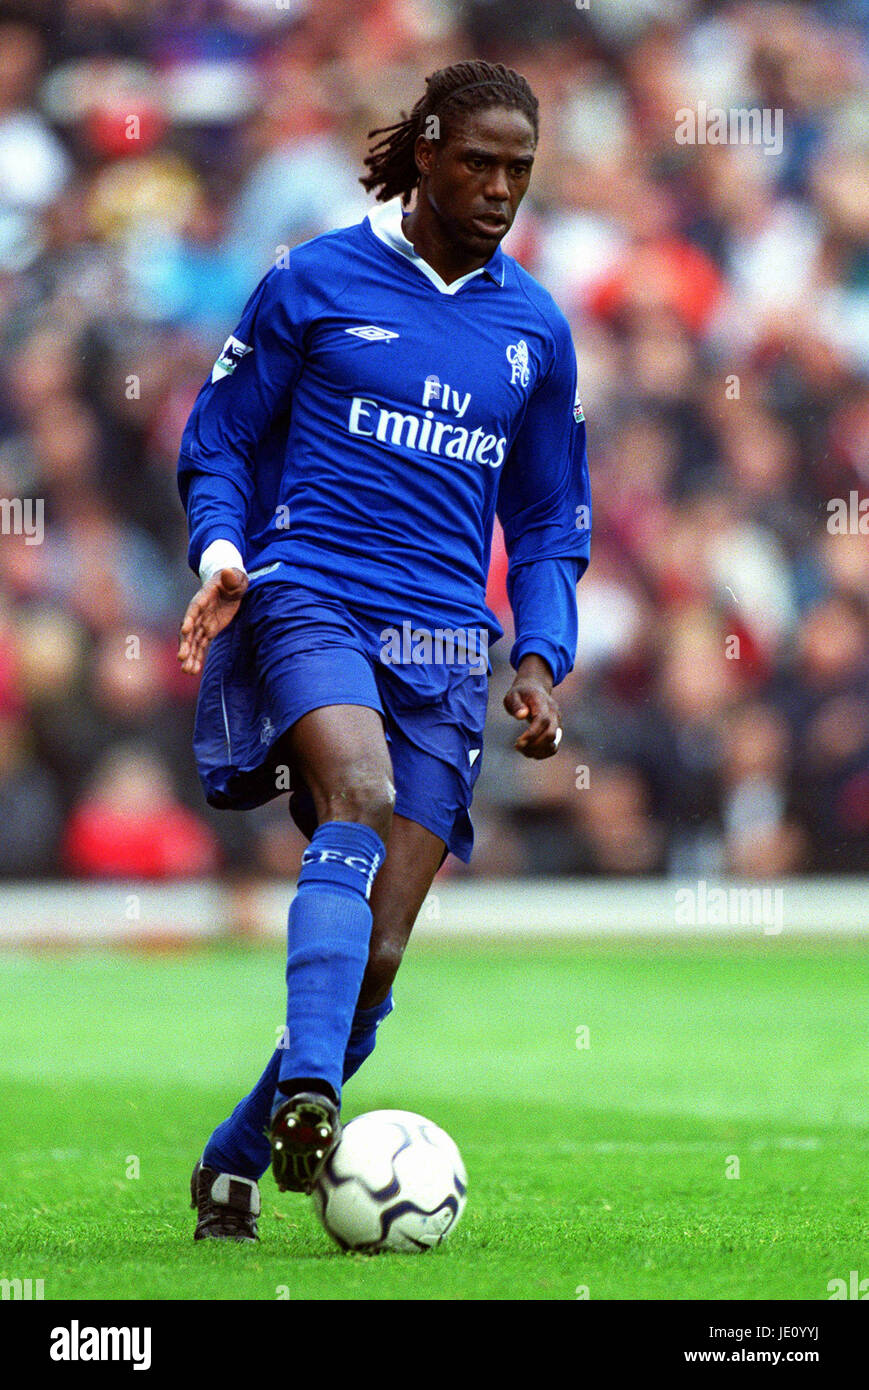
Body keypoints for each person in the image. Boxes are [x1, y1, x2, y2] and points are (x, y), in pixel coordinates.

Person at [177, 60, 591, 1242]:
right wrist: (219, 553)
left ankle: (237, 1153)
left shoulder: (534, 330)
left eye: (519, 168)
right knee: (351, 792)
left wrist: (539, 654)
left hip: (444, 641)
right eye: (478, 161)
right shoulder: (309, 280)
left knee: (381, 954)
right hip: (309, 593)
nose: (500, 187)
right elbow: (219, 441)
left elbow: (552, 516)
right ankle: (314, 1085)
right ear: (424, 151)